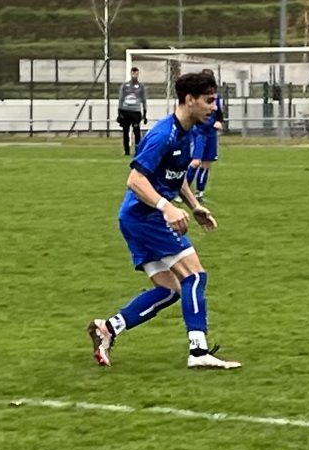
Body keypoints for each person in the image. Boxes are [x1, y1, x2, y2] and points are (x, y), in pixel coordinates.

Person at [87, 69, 238, 370]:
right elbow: (135, 180)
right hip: (144, 217)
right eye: (208, 101)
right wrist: (165, 207)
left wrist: (194, 205)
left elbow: (175, 175)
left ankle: (109, 328)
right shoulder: (162, 135)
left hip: (139, 218)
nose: (213, 107)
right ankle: (198, 352)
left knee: (169, 290)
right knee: (194, 277)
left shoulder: (188, 132)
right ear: (189, 99)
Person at [186, 86, 223, 195]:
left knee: (206, 164)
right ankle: (182, 189)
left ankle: (200, 192)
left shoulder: (217, 98)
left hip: (211, 133)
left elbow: (219, 113)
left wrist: (219, 121)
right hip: (199, 133)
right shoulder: (197, 97)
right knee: (196, 162)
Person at [117, 66, 148, 156]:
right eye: (133, 73)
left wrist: (145, 113)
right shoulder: (125, 85)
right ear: (130, 73)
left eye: (136, 73)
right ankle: (126, 151)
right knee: (125, 131)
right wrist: (119, 113)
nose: (134, 75)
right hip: (125, 111)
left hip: (136, 112)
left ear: (138, 74)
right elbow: (121, 99)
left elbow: (144, 100)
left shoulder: (141, 86)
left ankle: (137, 151)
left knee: (137, 131)